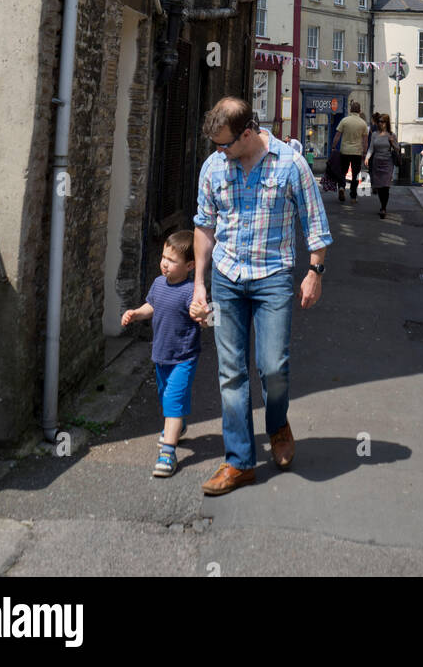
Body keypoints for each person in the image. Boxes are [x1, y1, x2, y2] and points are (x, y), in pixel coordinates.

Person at [190, 97, 333, 496]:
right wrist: (200, 284)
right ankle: (239, 461)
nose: (220, 152)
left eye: (225, 144)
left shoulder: (290, 164)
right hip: (226, 280)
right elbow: (204, 226)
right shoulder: (214, 167)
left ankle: (277, 423)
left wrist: (314, 273)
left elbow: (315, 224)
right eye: (216, 145)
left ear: (248, 133)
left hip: (272, 279)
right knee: (230, 371)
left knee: (273, 366)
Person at [121, 231, 202, 478]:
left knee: (173, 402)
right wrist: (136, 313)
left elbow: (209, 318)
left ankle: (168, 451)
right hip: (160, 355)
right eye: (164, 257)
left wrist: (205, 315)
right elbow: (152, 306)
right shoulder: (158, 283)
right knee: (166, 396)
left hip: (183, 358)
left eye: (172, 260)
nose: (165, 263)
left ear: (190, 266)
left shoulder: (191, 291)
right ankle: (178, 426)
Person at [331, 99, 369, 203]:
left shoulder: (344, 121)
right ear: (359, 111)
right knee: (355, 174)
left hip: (345, 151)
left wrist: (333, 147)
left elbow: (337, 135)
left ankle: (342, 187)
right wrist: (365, 152)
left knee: (342, 172)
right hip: (357, 152)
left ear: (350, 109)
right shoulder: (363, 123)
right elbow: (365, 141)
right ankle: (353, 196)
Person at [363, 112, 399, 219]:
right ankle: (382, 205)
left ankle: (383, 208)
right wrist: (367, 157)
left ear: (387, 123)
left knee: (386, 186)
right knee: (379, 186)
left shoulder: (392, 135)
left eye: (383, 122)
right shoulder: (374, 134)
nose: (381, 124)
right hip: (377, 161)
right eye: (379, 122)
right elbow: (371, 148)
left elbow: (397, 149)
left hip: (388, 162)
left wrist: (393, 143)